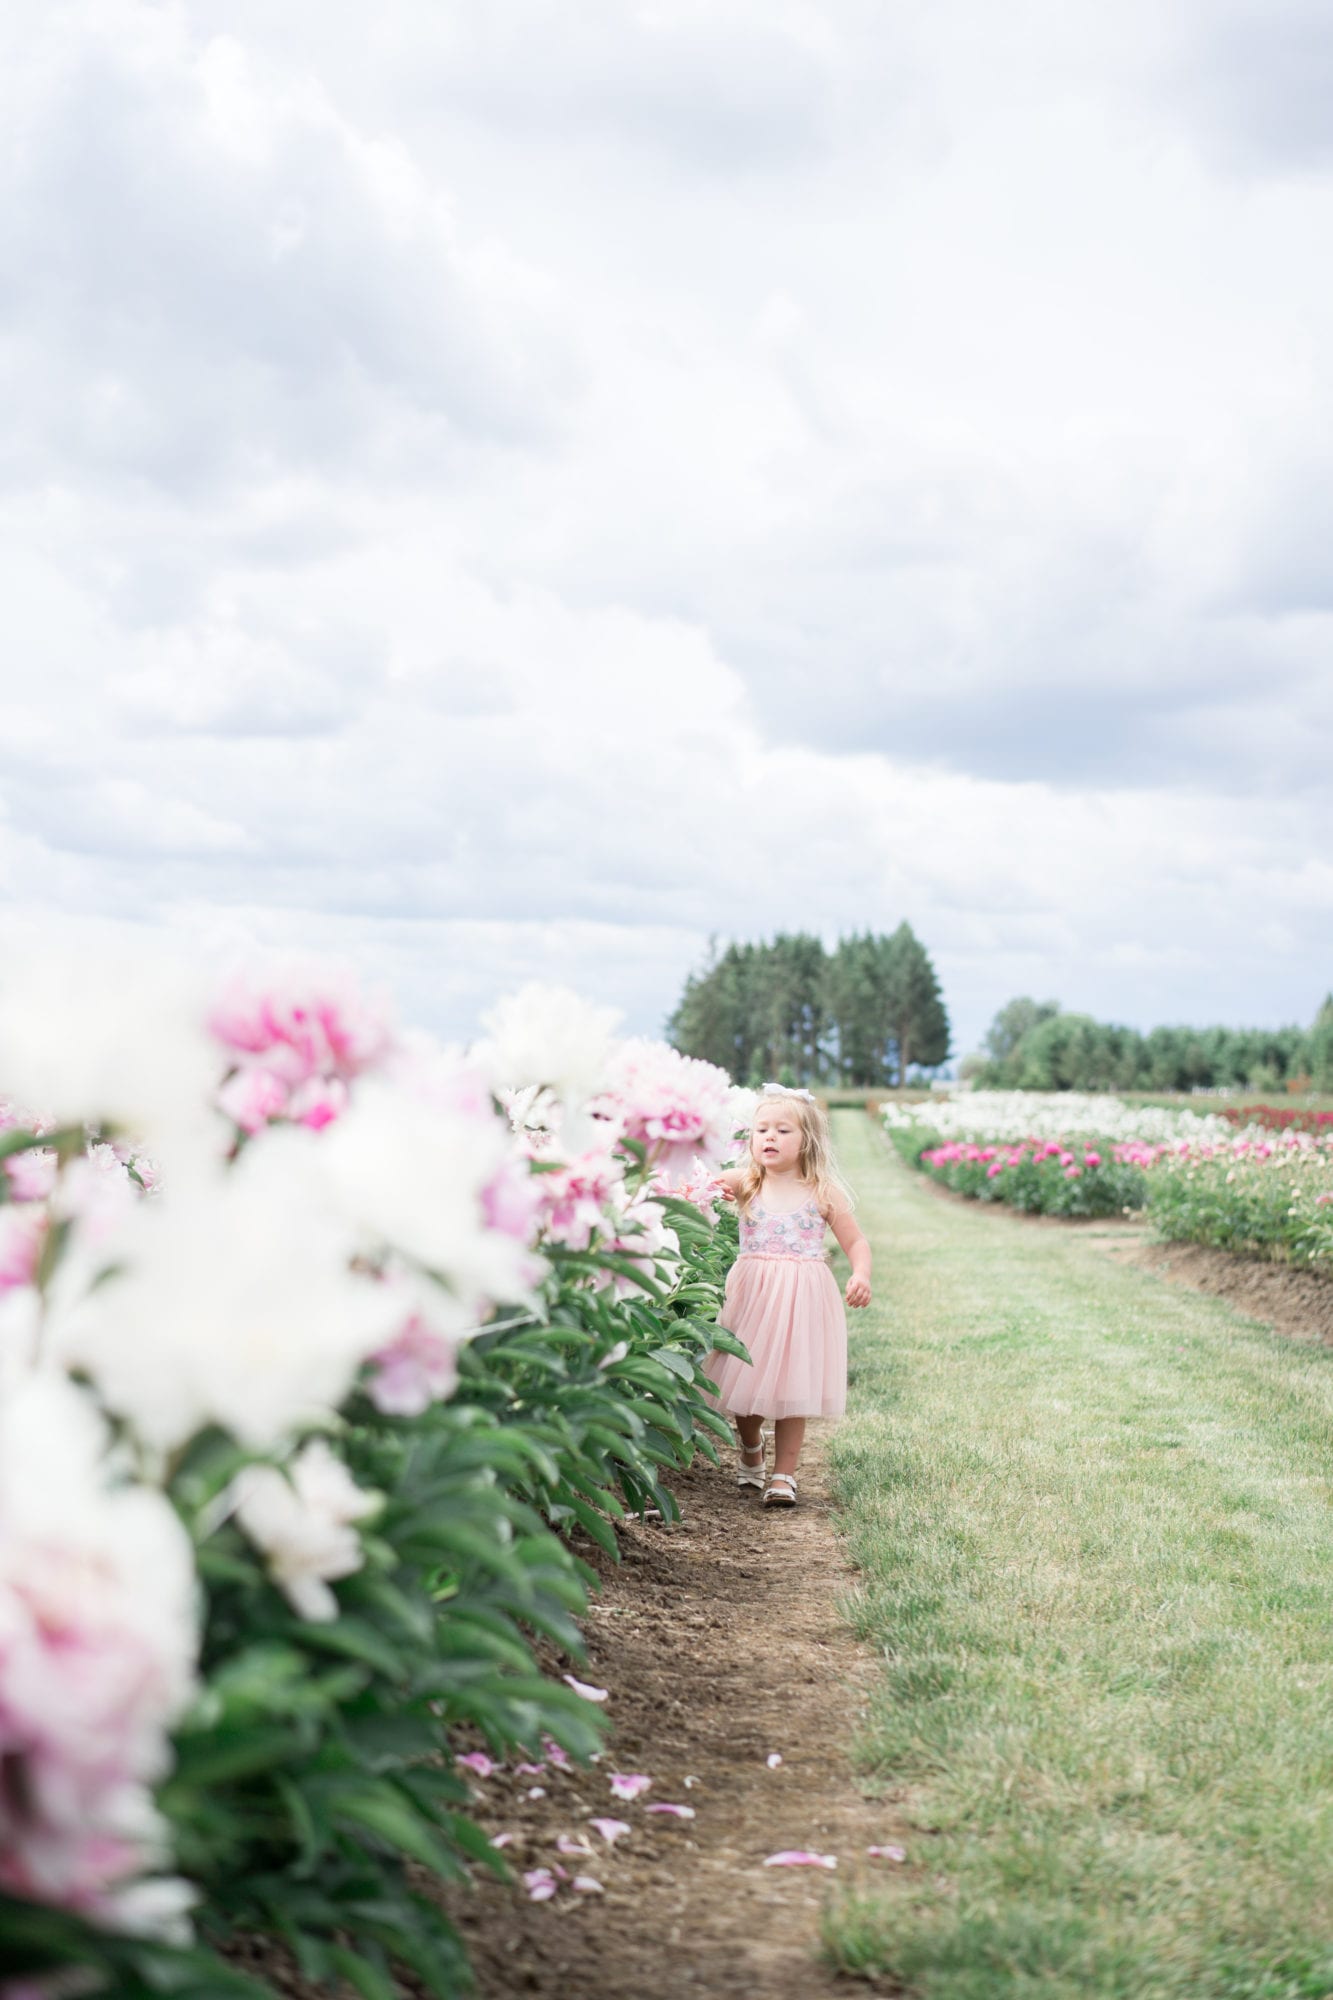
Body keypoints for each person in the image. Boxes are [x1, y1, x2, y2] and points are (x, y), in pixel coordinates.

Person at [706, 1085, 871, 1509]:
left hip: (801, 1300)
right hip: (754, 1298)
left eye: (783, 1130)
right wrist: (706, 1189)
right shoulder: (746, 1183)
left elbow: (856, 1243)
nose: (770, 1137)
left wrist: (861, 1274)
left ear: (807, 1141)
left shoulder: (822, 1191)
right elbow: (703, 1184)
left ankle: (784, 1475)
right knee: (748, 1381)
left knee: (791, 1385)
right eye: (761, 1129)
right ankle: (750, 1448)